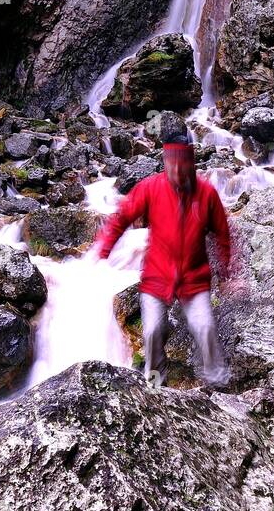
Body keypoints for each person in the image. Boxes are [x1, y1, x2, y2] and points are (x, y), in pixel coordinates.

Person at [95, 138, 232, 389]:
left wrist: (228, 274)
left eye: (183, 166)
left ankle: (219, 384)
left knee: (205, 328)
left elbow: (222, 234)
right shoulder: (150, 188)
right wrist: (103, 249)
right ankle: (156, 383)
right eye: (172, 165)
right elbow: (122, 217)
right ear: (165, 163)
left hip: (194, 278)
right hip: (157, 276)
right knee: (152, 331)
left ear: (192, 164)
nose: (177, 172)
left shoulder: (207, 194)